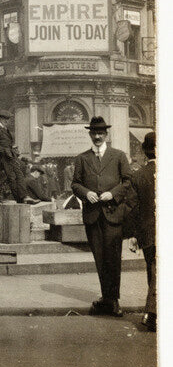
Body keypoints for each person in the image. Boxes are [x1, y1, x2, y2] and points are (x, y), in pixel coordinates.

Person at [72, 115, 132, 317]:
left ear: (106, 134)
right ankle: (106, 298)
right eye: (94, 133)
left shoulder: (119, 156)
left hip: (113, 214)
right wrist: (85, 193)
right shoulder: (82, 158)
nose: (97, 136)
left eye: (100, 133)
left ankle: (113, 301)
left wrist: (112, 194)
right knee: (100, 258)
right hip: (93, 216)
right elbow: (75, 183)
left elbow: (127, 182)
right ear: (90, 134)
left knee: (113, 259)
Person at [128, 131, 156, 332]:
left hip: (148, 232)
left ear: (145, 152)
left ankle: (154, 314)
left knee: (152, 270)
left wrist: (133, 235)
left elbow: (133, 208)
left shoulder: (138, 176)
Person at [0, 110, 28, 203]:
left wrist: (12, 150)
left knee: (19, 174)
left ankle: (23, 197)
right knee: (12, 177)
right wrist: (6, 151)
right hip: (5, 157)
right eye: (8, 119)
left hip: (11, 156)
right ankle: (20, 198)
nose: (9, 121)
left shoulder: (4, 129)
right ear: (3, 119)